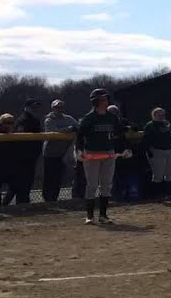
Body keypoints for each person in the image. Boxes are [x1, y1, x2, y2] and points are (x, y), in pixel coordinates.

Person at [75, 88, 128, 224]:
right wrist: (79, 151)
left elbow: (120, 134)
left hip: (109, 153)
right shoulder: (89, 118)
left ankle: (103, 215)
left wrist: (126, 148)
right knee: (92, 185)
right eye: (102, 99)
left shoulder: (112, 117)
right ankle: (90, 216)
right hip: (92, 154)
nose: (105, 101)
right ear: (95, 101)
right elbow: (80, 136)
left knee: (106, 184)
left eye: (106, 99)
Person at [42, 100, 77, 204]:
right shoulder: (49, 120)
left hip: (63, 153)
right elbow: (52, 131)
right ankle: (47, 199)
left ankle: (54, 198)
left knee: (58, 178)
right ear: (53, 108)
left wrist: (71, 128)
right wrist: (69, 129)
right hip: (50, 153)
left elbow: (78, 125)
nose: (59, 109)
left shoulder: (69, 118)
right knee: (49, 177)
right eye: (57, 107)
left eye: (61, 107)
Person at [11, 98, 44, 204]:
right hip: (23, 156)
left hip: (31, 155)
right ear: (27, 107)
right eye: (33, 106)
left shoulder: (34, 119)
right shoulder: (24, 119)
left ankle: (23, 200)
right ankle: (20, 202)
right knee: (22, 181)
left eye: (36, 107)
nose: (35, 109)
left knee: (27, 180)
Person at [143, 107, 171, 201]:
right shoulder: (150, 125)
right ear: (154, 115)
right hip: (157, 151)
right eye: (160, 115)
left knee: (170, 173)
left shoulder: (167, 124)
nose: (162, 116)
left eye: (163, 114)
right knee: (158, 174)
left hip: (169, 151)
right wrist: (149, 152)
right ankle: (157, 195)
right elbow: (146, 140)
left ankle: (168, 194)